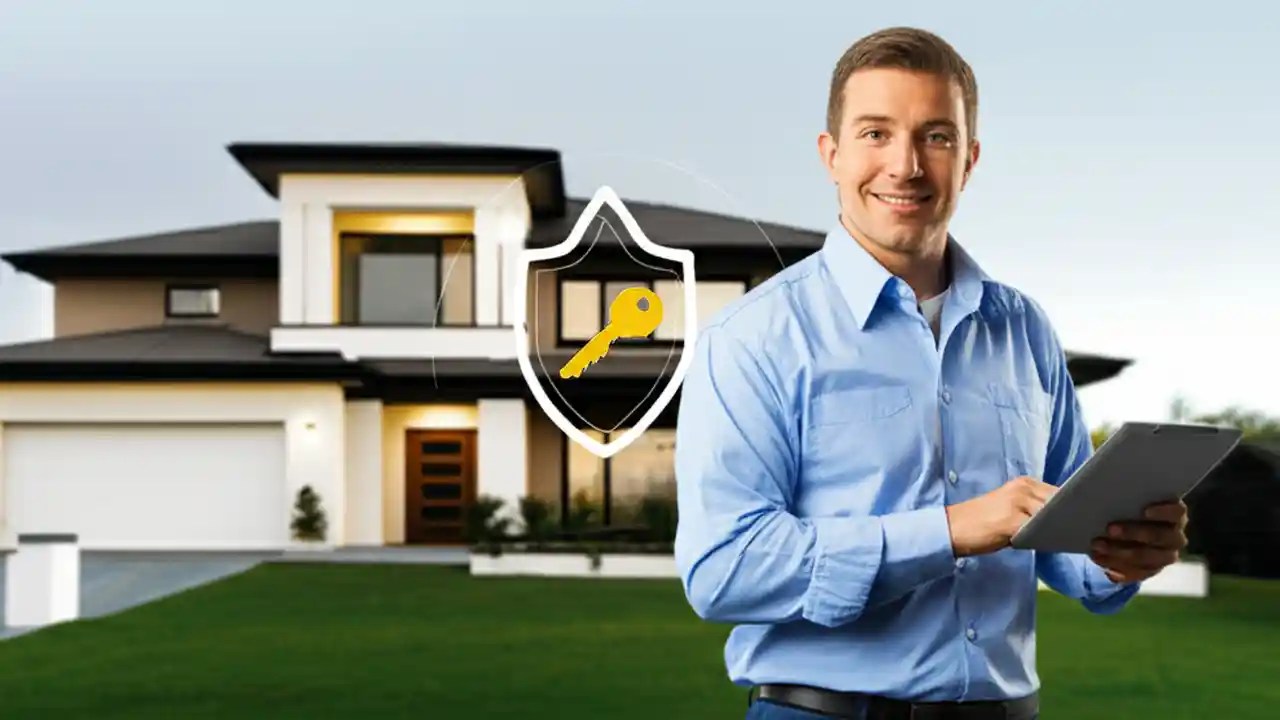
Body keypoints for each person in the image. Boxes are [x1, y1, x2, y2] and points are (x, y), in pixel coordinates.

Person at [672, 26, 1188, 720]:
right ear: (831, 154)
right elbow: (722, 569)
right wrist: (947, 530)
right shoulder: (754, 338)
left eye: (936, 137)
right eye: (876, 134)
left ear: (969, 159)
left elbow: (1064, 546)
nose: (906, 165)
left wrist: (1123, 554)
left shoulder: (1025, 330)